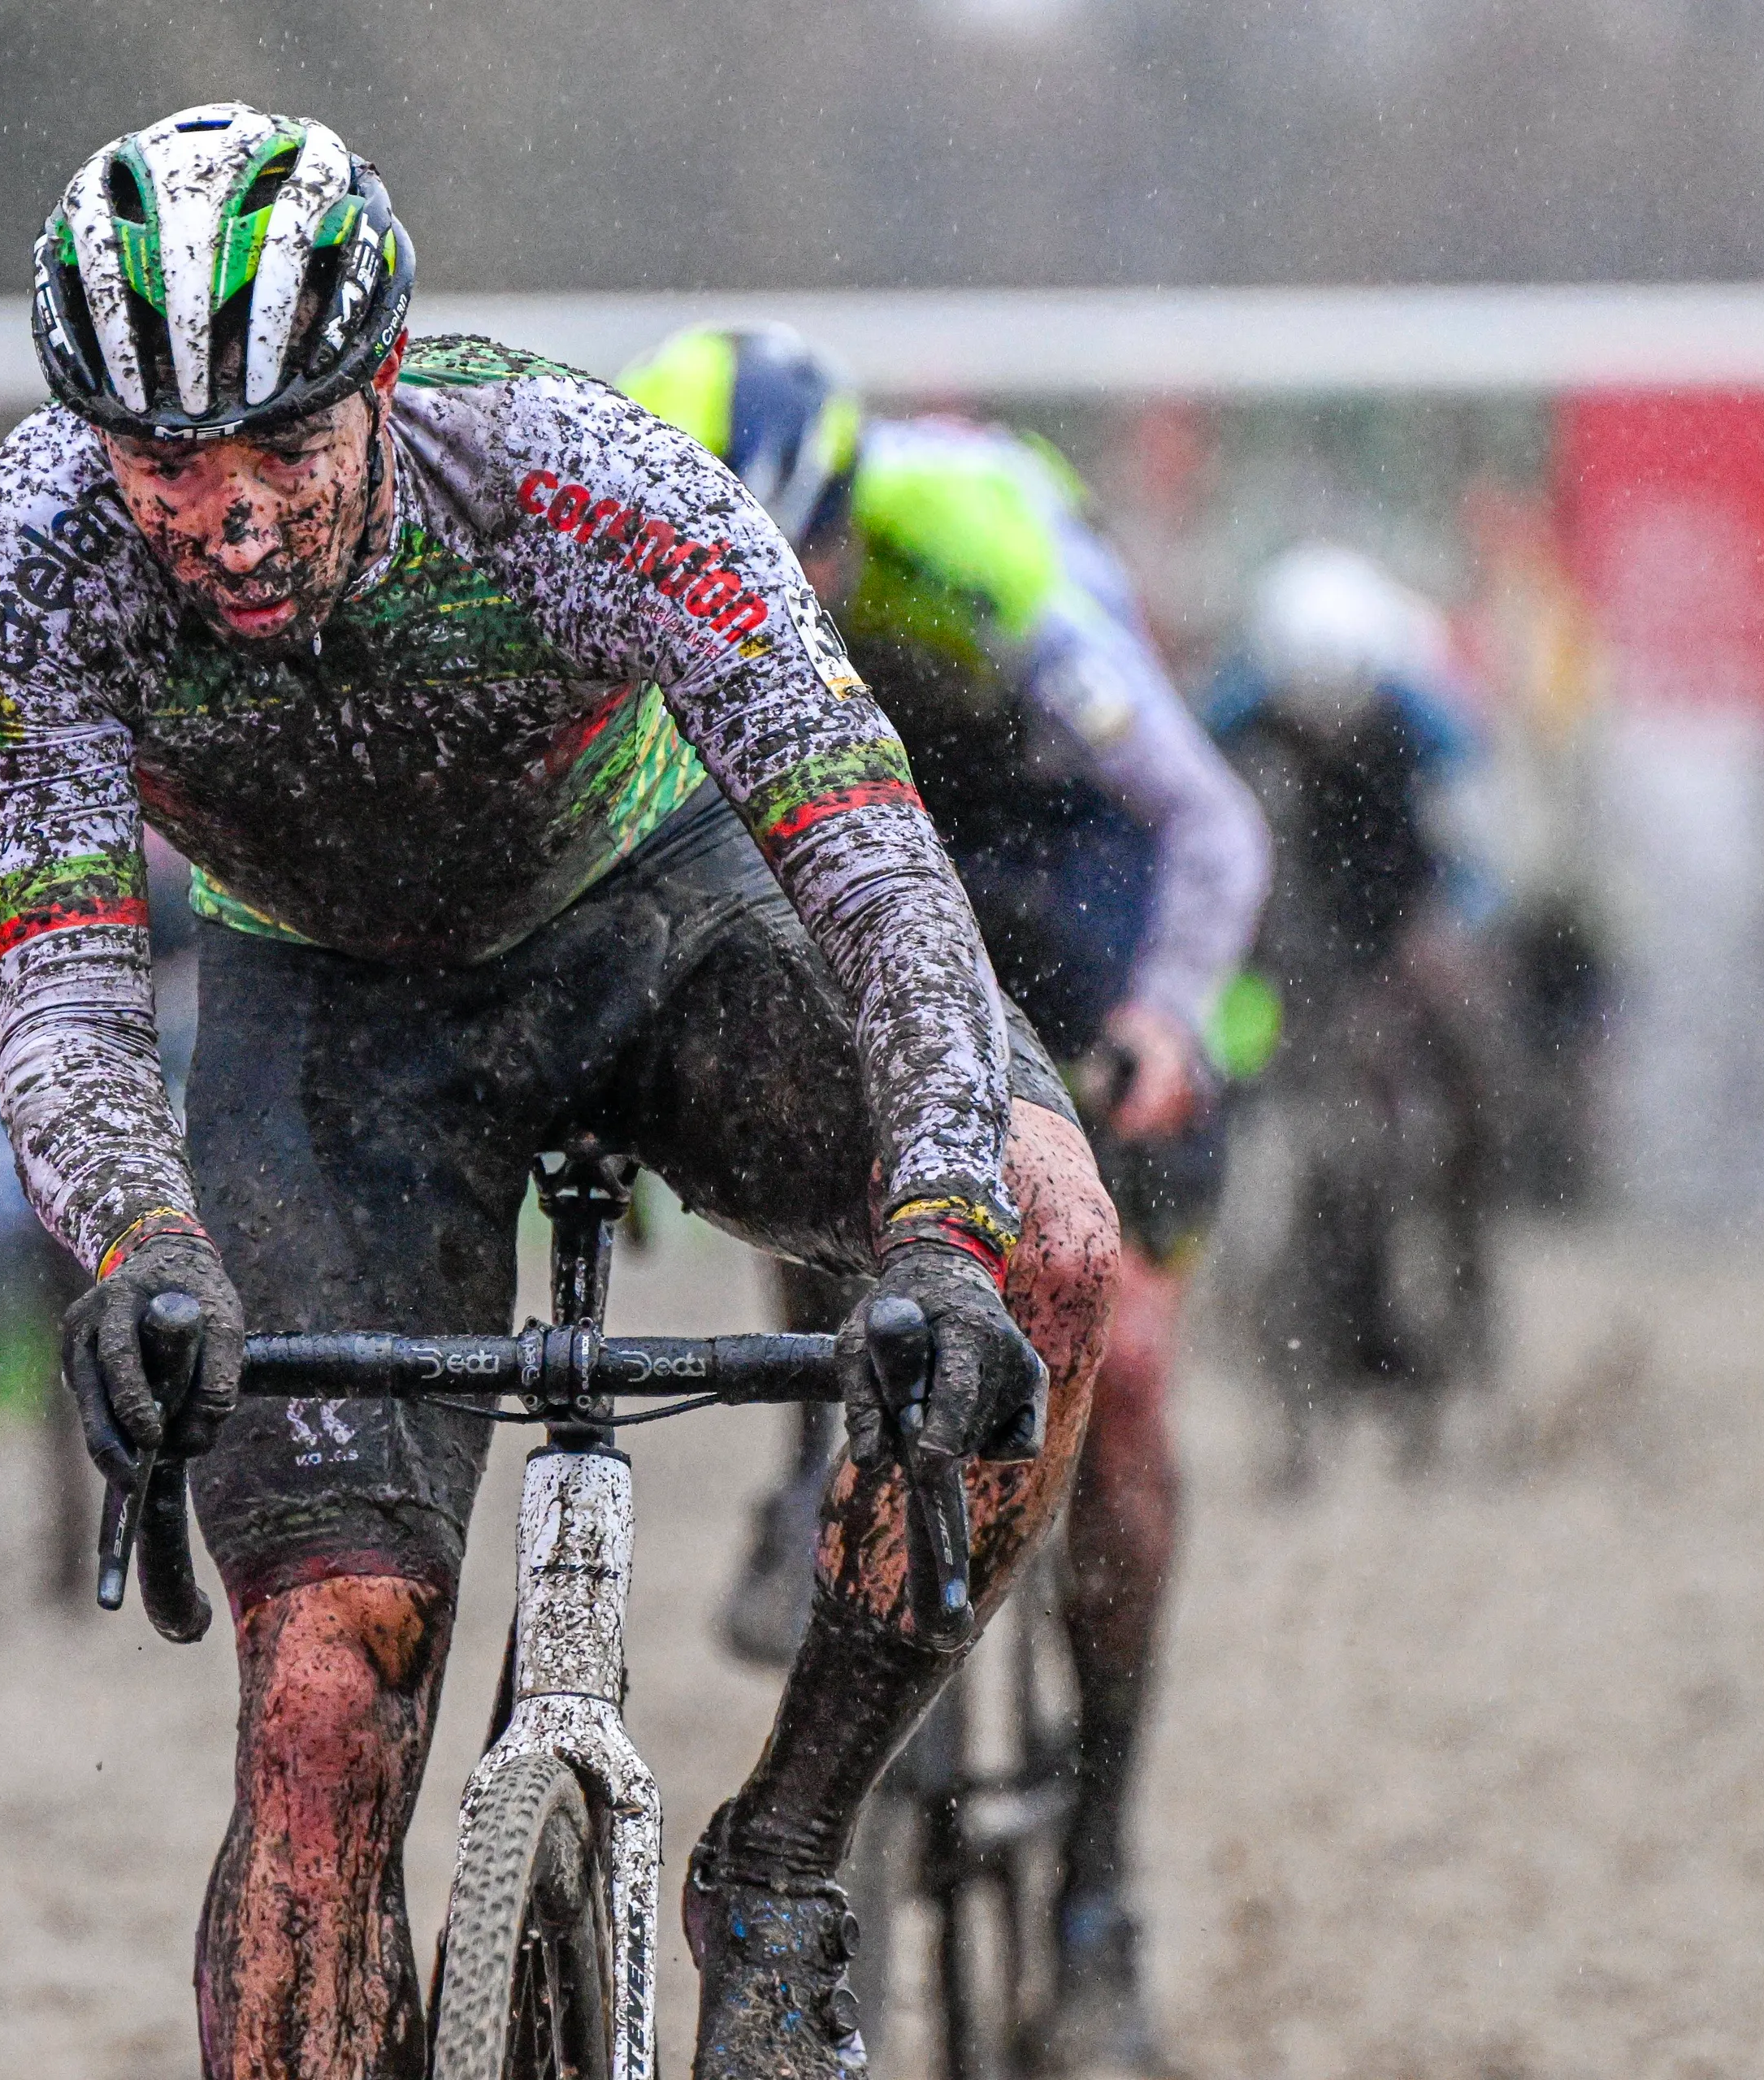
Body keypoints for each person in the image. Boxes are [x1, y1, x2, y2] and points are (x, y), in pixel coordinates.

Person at [0, 106, 1116, 2080]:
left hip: (666, 931)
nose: (224, 519)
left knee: (1049, 1242)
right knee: (322, 1701)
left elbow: (869, 860)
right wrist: (141, 1241)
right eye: (163, 462)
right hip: (337, 1015)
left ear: (381, 382)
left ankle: (788, 1858)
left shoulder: (584, 479)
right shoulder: (31, 559)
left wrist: (928, 1229)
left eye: (281, 449)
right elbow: (62, 986)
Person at [622, 323, 1268, 2075]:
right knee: (795, 1094)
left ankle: (1102, 1882)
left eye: (798, 569)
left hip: (1089, 877)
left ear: (844, 521)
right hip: (858, 847)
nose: (773, 607)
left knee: (1116, 1379)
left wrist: (1164, 1018)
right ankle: (803, 1471)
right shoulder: (639, 558)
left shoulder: (978, 548)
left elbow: (1210, 825)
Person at [1207, 543, 1509, 1462]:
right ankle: (1275, 1347)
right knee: (1278, 1137)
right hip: (1292, 957)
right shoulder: (1237, 712)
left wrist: (1440, 938)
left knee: (1479, 1084)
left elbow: (1477, 854)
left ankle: (1471, 1292)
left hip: (1403, 937)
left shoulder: (1429, 718)